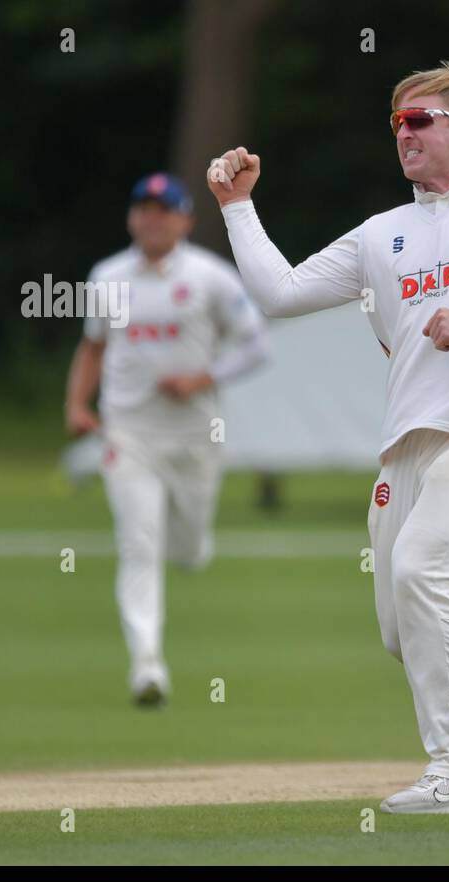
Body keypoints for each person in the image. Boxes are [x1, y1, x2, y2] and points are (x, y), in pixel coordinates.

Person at [207, 61, 449, 813]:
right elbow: (280, 292)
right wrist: (237, 206)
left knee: (424, 574)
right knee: (404, 626)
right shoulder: (380, 234)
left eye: (420, 120)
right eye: (396, 125)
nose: (406, 135)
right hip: (406, 445)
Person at [65, 173, 270, 706]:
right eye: (143, 208)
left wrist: (198, 380)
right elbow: (93, 347)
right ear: (133, 216)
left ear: (186, 220)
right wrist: (76, 405)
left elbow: (255, 348)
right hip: (128, 432)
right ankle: (147, 666)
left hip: (195, 435)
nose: (152, 217)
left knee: (188, 547)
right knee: (139, 545)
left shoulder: (211, 277)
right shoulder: (107, 275)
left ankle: (194, 547)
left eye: (164, 208)